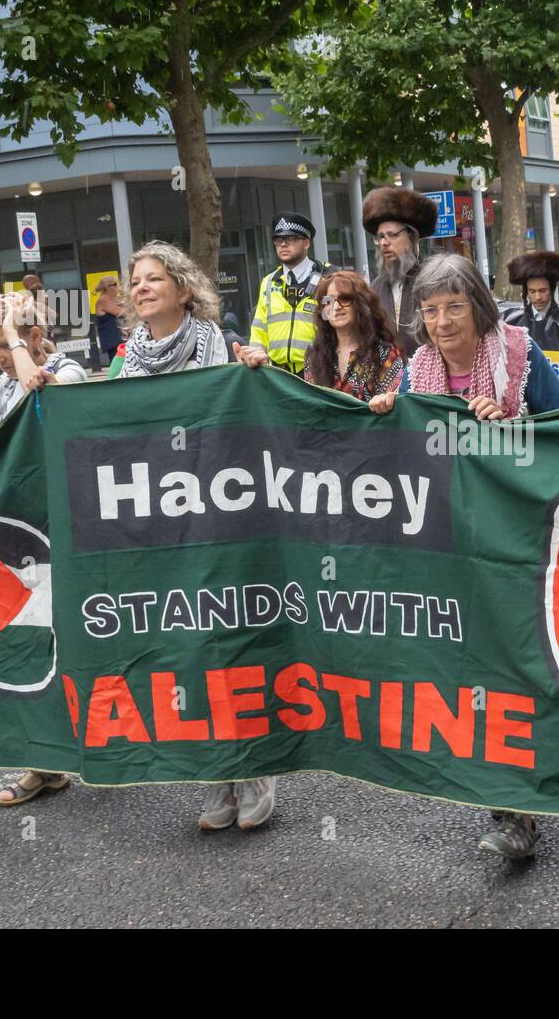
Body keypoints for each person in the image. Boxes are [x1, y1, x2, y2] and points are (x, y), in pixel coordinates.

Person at [368, 253, 559, 859]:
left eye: (455, 306)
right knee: (475, 673)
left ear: (478, 305)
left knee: (519, 667)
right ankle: (510, 808)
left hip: (517, 542)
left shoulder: (519, 355)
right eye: (430, 310)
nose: (443, 321)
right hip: (450, 546)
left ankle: (536, 795)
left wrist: (509, 427)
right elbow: (398, 456)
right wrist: (385, 415)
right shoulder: (417, 371)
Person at [114, 241, 273, 830]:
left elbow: (252, 416)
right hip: (161, 520)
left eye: (155, 278)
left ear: (184, 288)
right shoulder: (127, 359)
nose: (142, 287)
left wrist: (257, 369)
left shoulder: (219, 348)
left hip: (222, 516)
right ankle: (213, 773)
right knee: (185, 644)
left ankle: (253, 766)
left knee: (228, 638)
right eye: (135, 281)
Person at [0, 292, 89, 805]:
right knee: (31, 651)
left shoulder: (67, 372)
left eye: (2, 343)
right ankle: (45, 763)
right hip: (20, 545)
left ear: (34, 336)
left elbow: (41, 392)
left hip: (72, 535)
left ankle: (106, 746)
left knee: (80, 646)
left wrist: (16, 340)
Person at [248, 269, 402, 401]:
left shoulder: (385, 353)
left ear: (361, 304)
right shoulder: (314, 354)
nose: (336, 307)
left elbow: (396, 407)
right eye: (328, 301)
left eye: (344, 299)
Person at [249, 213, 331, 375]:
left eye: (291, 239)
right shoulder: (269, 282)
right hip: (278, 374)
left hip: (320, 372)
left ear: (306, 243)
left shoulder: (328, 278)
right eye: (278, 240)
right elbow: (259, 329)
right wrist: (255, 359)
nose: (283, 244)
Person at [364, 187, 438, 359]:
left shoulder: (434, 279)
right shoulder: (374, 288)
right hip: (388, 379)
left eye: (391, 235)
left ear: (413, 238)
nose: (384, 243)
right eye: (380, 237)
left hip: (429, 375)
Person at [502, 251, 559, 351]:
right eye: (532, 291)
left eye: (542, 291)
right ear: (526, 292)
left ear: (552, 289)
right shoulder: (508, 320)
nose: (537, 297)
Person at [93, 275, 125, 364]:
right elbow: (122, 313)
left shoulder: (110, 300)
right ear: (107, 287)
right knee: (119, 366)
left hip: (116, 340)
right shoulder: (103, 300)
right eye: (115, 284)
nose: (117, 287)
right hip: (113, 340)